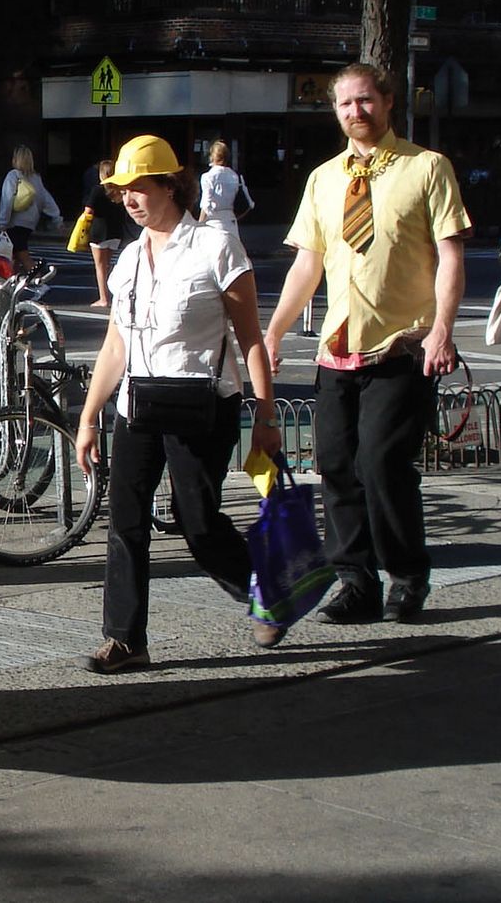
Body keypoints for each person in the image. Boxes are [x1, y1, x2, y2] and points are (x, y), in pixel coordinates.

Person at [264, 63, 471, 625]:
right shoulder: (324, 179)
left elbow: (450, 255)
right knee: (336, 465)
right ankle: (356, 582)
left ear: (387, 101)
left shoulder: (427, 167)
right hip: (338, 347)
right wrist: (275, 330)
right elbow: (307, 264)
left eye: (365, 100)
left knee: (381, 463)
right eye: (345, 104)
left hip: (402, 345)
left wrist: (443, 329)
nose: (356, 112)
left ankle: (406, 575)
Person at [74, 135, 285, 670]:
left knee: (198, 521)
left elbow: (251, 339)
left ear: (171, 186)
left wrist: (265, 413)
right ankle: (126, 639)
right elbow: (116, 345)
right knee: (125, 520)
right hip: (138, 404)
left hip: (201, 404)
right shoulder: (127, 258)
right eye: (122, 191)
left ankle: (263, 589)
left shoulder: (216, 247)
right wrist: (89, 417)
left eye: (140, 187)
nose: (129, 199)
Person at [0, 144, 62, 274]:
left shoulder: (13, 176)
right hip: (30, 223)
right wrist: (57, 218)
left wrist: (3, 222)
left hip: (14, 222)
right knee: (14, 256)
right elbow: (46, 200)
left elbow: (7, 199)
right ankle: (14, 280)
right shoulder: (36, 178)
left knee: (22, 255)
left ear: (16, 159)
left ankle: (37, 279)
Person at [82, 158, 123, 308]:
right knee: (108, 265)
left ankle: (103, 298)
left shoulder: (98, 190)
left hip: (99, 231)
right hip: (116, 231)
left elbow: (88, 210)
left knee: (100, 266)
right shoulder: (119, 190)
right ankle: (113, 294)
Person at [197, 140, 251, 239]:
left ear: (212, 157)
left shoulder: (208, 177)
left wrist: (199, 225)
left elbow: (206, 205)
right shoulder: (235, 176)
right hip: (231, 222)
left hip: (214, 224)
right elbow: (245, 202)